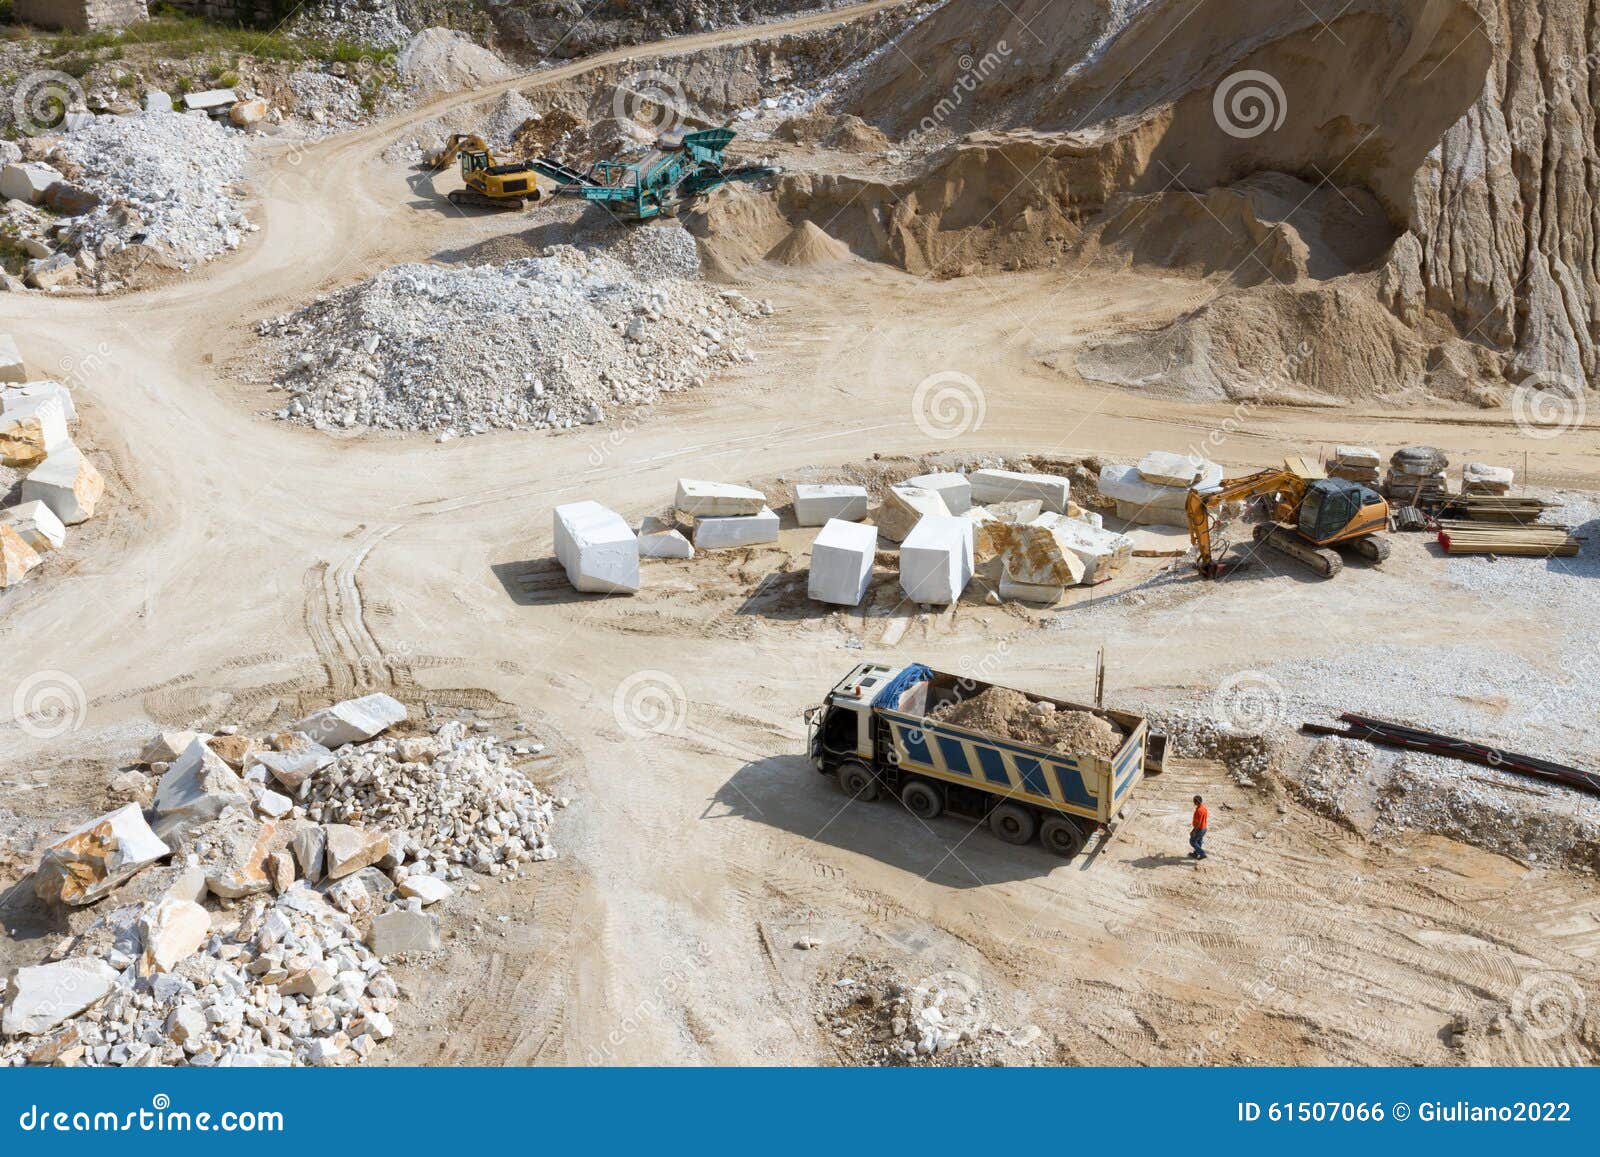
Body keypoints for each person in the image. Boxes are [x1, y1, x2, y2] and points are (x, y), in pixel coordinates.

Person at [1189, 794, 1208, 860]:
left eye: (1194, 801)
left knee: (1192, 841)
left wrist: (1193, 831)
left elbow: (1198, 823)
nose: (1193, 802)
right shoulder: (1204, 808)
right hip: (1204, 828)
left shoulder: (1199, 811)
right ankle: (1196, 853)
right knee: (1199, 841)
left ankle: (1202, 854)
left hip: (1200, 829)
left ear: (1197, 802)